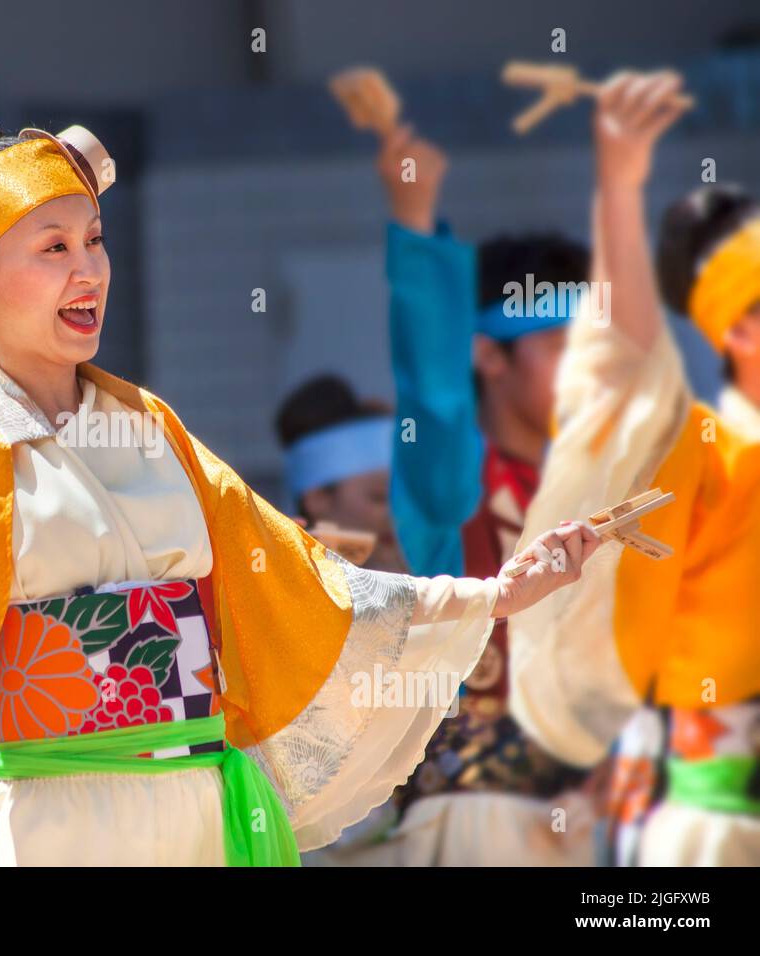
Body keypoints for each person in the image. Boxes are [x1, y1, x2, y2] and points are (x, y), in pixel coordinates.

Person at [0, 77, 601, 866]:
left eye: (95, 239)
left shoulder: (150, 427)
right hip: (46, 818)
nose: (89, 269)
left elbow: (307, 588)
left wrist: (492, 594)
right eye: (53, 248)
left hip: (194, 807)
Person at [511, 69, 760, 867]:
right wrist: (620, 185)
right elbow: (623, 372)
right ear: (743, 329)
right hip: (716, 827)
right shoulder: (714, 454)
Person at [330, 121, 596, 864]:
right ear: (489, 354)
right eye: (557, 348)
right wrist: (415, 222)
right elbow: (436, 400)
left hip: (592, 816)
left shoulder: (592, 483)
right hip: (483, 820)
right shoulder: (456, 487)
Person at [274, 375, 403, 572]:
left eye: (405, 498)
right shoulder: (280, 580)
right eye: (380, 497)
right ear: (318, 498)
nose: (397, 511)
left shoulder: (427, 574)